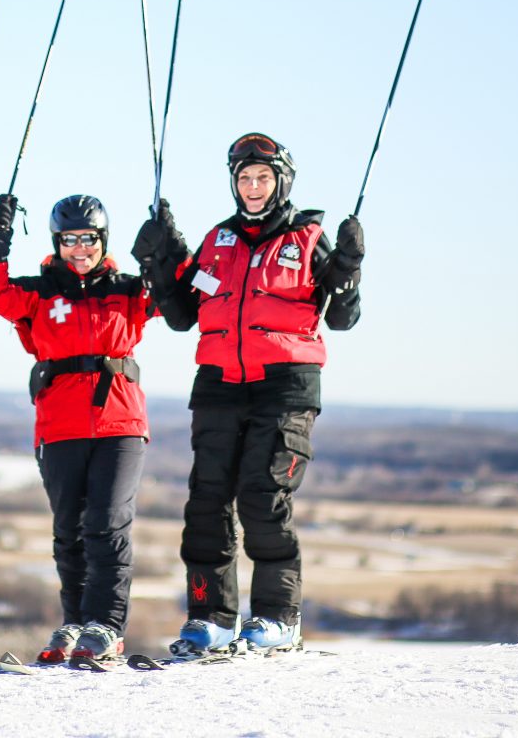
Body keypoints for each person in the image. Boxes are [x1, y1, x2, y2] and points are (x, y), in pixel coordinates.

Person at [130, 132, 364, 657]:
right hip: (218, 383)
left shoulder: (308, 238)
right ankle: (210, 619)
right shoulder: (218, 241)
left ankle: (279, 618)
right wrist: (160, 260)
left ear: (282, 182)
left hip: (285, 384)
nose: (253, 187)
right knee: (207, 502)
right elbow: (181, 315)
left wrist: (349, 266)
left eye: (262, 177)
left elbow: (343, 318)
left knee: (262, 498)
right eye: (244, 178)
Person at [0, 192, 152, 665]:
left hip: (119, 422)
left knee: (106, 523)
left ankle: (106, 625)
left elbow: (181, 298)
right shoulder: (40, 291)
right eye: (69, 239)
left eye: (88, 239)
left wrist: (163, 248)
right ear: (56, 242)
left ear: (103, 240)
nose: (80, 249)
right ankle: (76, 623)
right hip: (60, 425)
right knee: (69, 529)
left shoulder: (128, 289)